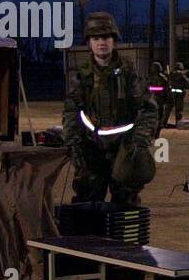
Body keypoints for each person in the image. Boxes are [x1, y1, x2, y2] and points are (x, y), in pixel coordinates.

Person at [61, 13, 159, 206]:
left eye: (106, 37)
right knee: (86, 205)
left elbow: (149, 109)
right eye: (96, 38)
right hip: (91, 147)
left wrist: (139, 142)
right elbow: (72, 111)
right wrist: (74, 144)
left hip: (124, 147)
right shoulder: (83, 75)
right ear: (89, 43)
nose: (101, 43)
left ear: (114, 40)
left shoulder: (129, 72)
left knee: (126, 207)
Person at [166, 62, 189, 127]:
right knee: (179, 110)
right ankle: (178, 123)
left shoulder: (171, 74)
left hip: (171, 94)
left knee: (168, 109)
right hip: (179, 95)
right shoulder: (181, 75)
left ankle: (164, 123)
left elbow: (168, 83)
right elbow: (186, 84)